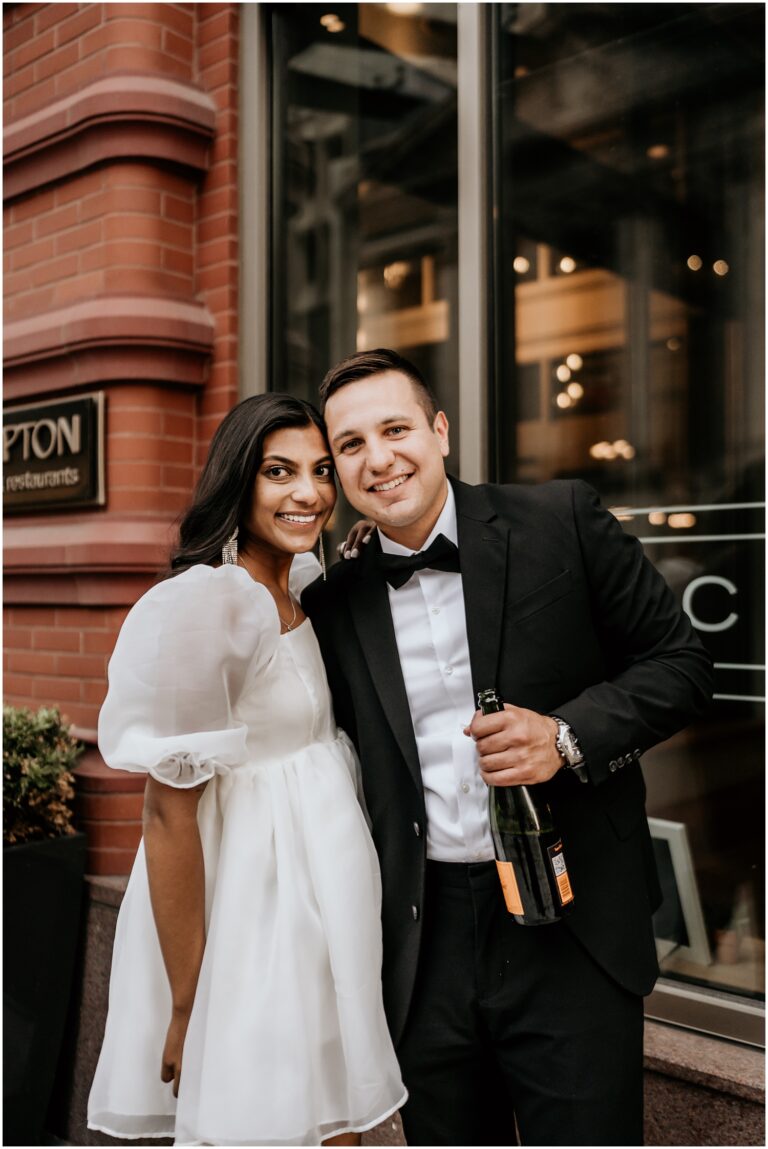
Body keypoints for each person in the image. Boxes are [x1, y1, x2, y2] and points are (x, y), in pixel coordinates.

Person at [302, 349, 714, 1147]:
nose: (378, 458)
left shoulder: (562, 518)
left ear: (440, 430)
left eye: (395, 429)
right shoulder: (332, 601)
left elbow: (682, 664)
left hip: (572, 926)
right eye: (351, 444)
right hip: (420, 945)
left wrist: (565, 737)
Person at [87, 394, 406, 1147]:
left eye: (321, 471)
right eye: (279, 471)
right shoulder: (210, 603)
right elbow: (168, 814)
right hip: (259, 915)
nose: (309, 492)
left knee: (336, 1122)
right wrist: (187, 1000)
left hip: (327, 902)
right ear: (239, 479)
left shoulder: (298, 585)